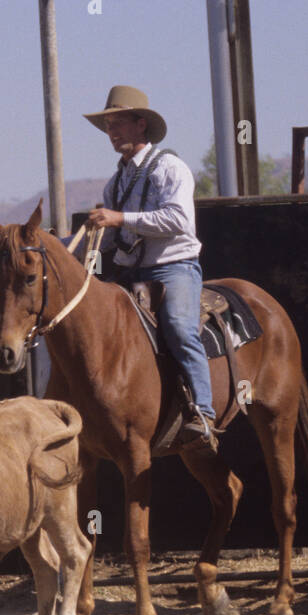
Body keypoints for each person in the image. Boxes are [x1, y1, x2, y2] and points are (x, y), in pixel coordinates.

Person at [82, 84, 215, 450]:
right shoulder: (116, 183)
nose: (112, 131)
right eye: (108, 125)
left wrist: (119, 217)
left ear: (141, 125)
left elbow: (178, 220)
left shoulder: (170, 167)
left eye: (118, 122)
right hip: (129, 274)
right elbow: (110, 240)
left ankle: (203, 413)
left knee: (177, 325)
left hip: (173, 268)